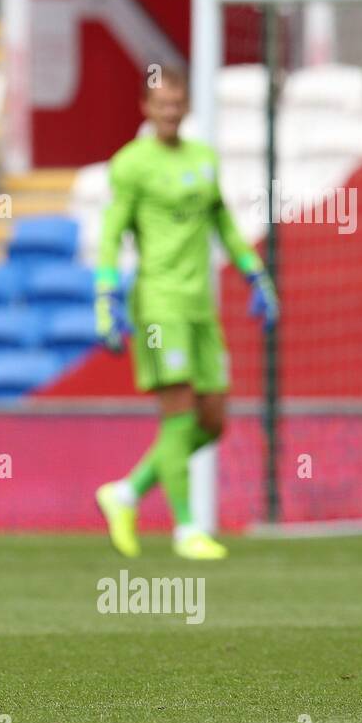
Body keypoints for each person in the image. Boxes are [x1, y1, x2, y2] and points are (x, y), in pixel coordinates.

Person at [93, 66, 278, 561]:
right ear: (146, 108)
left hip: (201, 306)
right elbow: (112, 232)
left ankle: (126, 492)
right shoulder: (131, 164)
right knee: (178, 418)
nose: (170, 112)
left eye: (177, 103)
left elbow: (225, 224)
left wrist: (255, 274)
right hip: (159, 305)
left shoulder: (204, 159)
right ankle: (186, 529)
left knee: (213, 420)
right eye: (161, 104)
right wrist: (106, 294)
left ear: (186, 105)